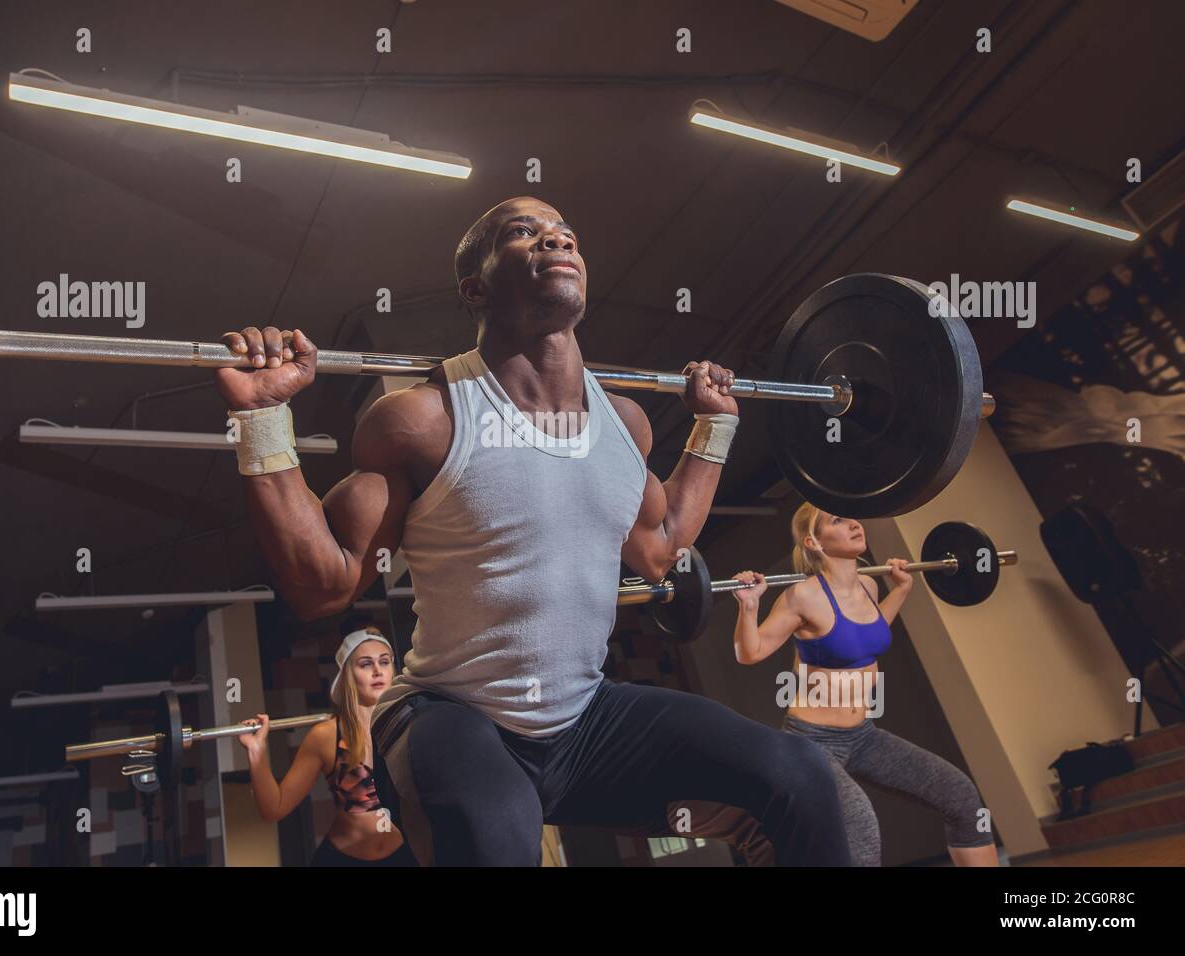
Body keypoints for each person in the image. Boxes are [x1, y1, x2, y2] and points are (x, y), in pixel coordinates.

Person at [215, 196, 850, 866]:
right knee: (495, 830)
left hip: (585, 722)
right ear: (476, 285)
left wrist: (714, 425)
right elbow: (326, 584)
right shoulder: (423, 420)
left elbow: (662, 551)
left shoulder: (624, 425)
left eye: (565, 233)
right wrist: (262, 419)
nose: (555, 240)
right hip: (450, 715)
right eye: (525, 233)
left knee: (798, 776)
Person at [728, 503, 999, 866]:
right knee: (861, 829)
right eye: (838, 520)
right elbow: (750, 653)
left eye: (850, 516)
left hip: (864, 736)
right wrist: (748, 607)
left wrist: (900, 590)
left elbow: (867, 637)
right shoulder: (803, 596)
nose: (854, 523)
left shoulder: (869, 585)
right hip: (811, 743)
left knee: (960, 796)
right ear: (815, 542)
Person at [237, 621, 416, 866]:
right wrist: (257, 752)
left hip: (404, 856)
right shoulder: (327, 735)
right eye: (365, 664)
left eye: (384, 662)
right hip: (343, 859)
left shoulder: (407, 724)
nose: (377, 671)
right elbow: (274, 808)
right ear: (347, 676)